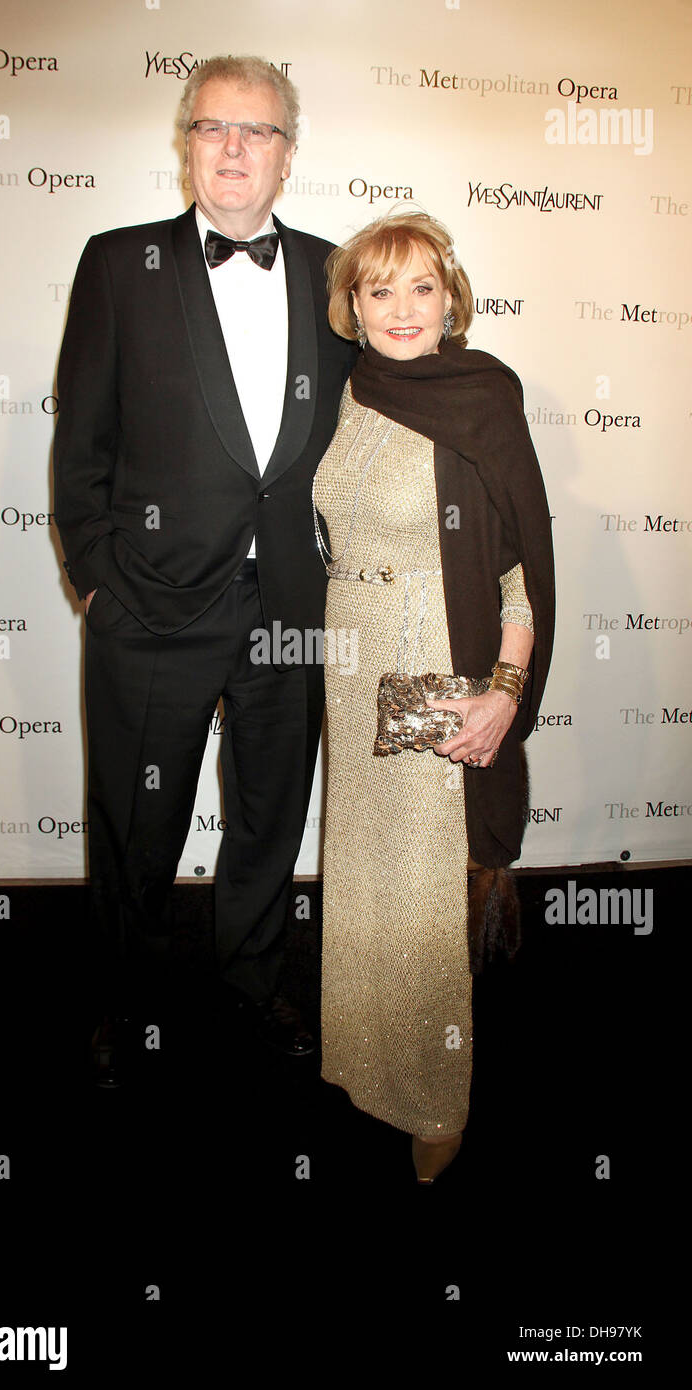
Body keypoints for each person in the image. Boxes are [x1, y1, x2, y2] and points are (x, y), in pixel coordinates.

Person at [53, 55, 356, 1078]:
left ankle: (253, 985)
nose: (234, 148)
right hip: (151, 609)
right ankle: (121, 1000)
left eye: (256, 131)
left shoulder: (331, 272)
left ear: (286, 153)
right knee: (136, 822)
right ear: (186, 143)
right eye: (213, 128)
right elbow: (81, 436)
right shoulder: (117, 261)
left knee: (270, 821)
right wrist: (96, 569)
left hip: (290, 604)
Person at [312, 211, 555, 1180]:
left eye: (420, 287)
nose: (400, 309)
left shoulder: (479, 395)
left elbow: (521, 570)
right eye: (379, 290)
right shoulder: (352, 393)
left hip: (430, 663)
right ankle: (363, 1062)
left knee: (416, 896)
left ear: (449, 298)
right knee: (362, 882)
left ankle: (431, 1101)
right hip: (349, 660)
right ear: (352, 307)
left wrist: (500, 690)